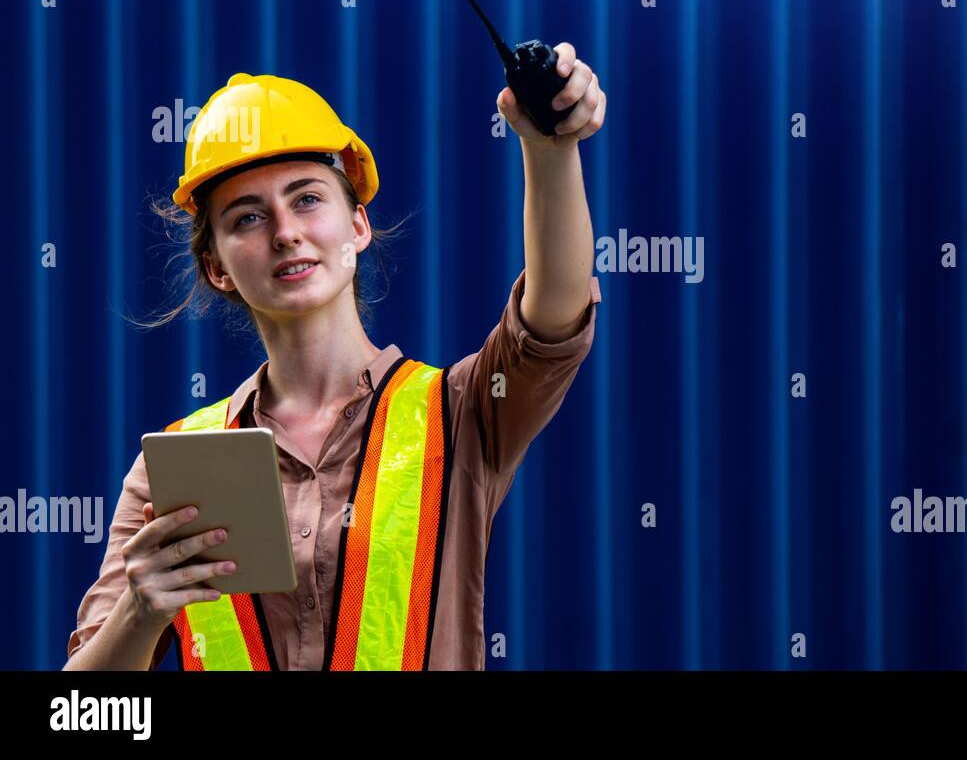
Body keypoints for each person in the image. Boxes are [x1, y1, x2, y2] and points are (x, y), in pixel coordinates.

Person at [64, 49, 606, 670]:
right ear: (217, 268)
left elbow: (557, 309)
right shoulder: (173, 469)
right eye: (247, 217)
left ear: (357, 225)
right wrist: (140, 610)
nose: (285, 232)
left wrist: (550, 147)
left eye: (307, 200)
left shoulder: (463, 410)